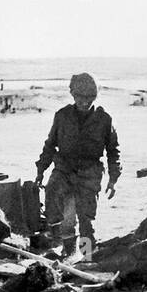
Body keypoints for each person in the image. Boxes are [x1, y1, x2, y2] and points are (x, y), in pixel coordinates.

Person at [35, 72, 121, 257]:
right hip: (64, 169)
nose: (84, 102)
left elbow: (113, 151)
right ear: (72, 95)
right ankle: (67, 251)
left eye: (89, 98)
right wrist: (41, 170)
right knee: (59, 206)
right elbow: (50, 144)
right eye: (80, 97)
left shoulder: (104, 119)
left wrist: (113, 179)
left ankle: (88, 258)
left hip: (90, 173)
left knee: (86, 220)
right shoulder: (62, 116)